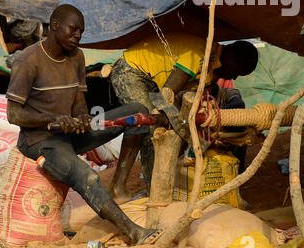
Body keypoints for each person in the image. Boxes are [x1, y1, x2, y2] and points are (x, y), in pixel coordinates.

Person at [5, 5, 155, 245]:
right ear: (55, 26)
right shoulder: (28, 60)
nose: (78, 36)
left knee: (138, 112)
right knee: (88, 176)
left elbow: (78, 101)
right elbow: (13, 114)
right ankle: (133, 231)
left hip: (71, 133)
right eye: (73, 29)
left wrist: (83, 117)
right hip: (41, 141)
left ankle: (118, 185)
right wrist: (51, 120)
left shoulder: (77, 56)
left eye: (81, 32)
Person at [109, 36, 260, 196]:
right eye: (237, 72)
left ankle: (159, 189)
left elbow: (188, 99)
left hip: (153, 80)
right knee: (151, 129)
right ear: (231, 58)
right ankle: (136, 190)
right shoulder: (199, 54)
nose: (233, 78)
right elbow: (165, 97)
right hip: (132, 70)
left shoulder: (211, 68)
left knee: (172, 129)